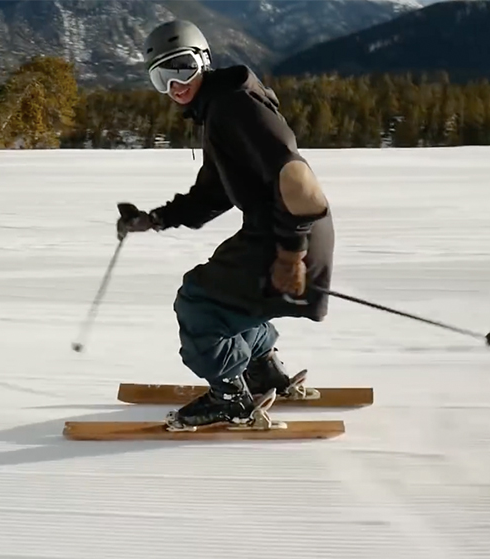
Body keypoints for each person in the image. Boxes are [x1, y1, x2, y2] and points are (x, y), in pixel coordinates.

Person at [116, 20, 335, 431]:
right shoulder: (219, 107)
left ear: (203, 60)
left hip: (292, 231)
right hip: (286, 230)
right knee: (228, 297)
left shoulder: (234, 105)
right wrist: (156, 219)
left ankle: (230, 397)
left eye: (182, 67)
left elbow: (299, 182)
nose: (175, 85)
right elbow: (213, 192)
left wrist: (291, 254)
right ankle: (262, 370)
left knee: (198, 302)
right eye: (161, 77)